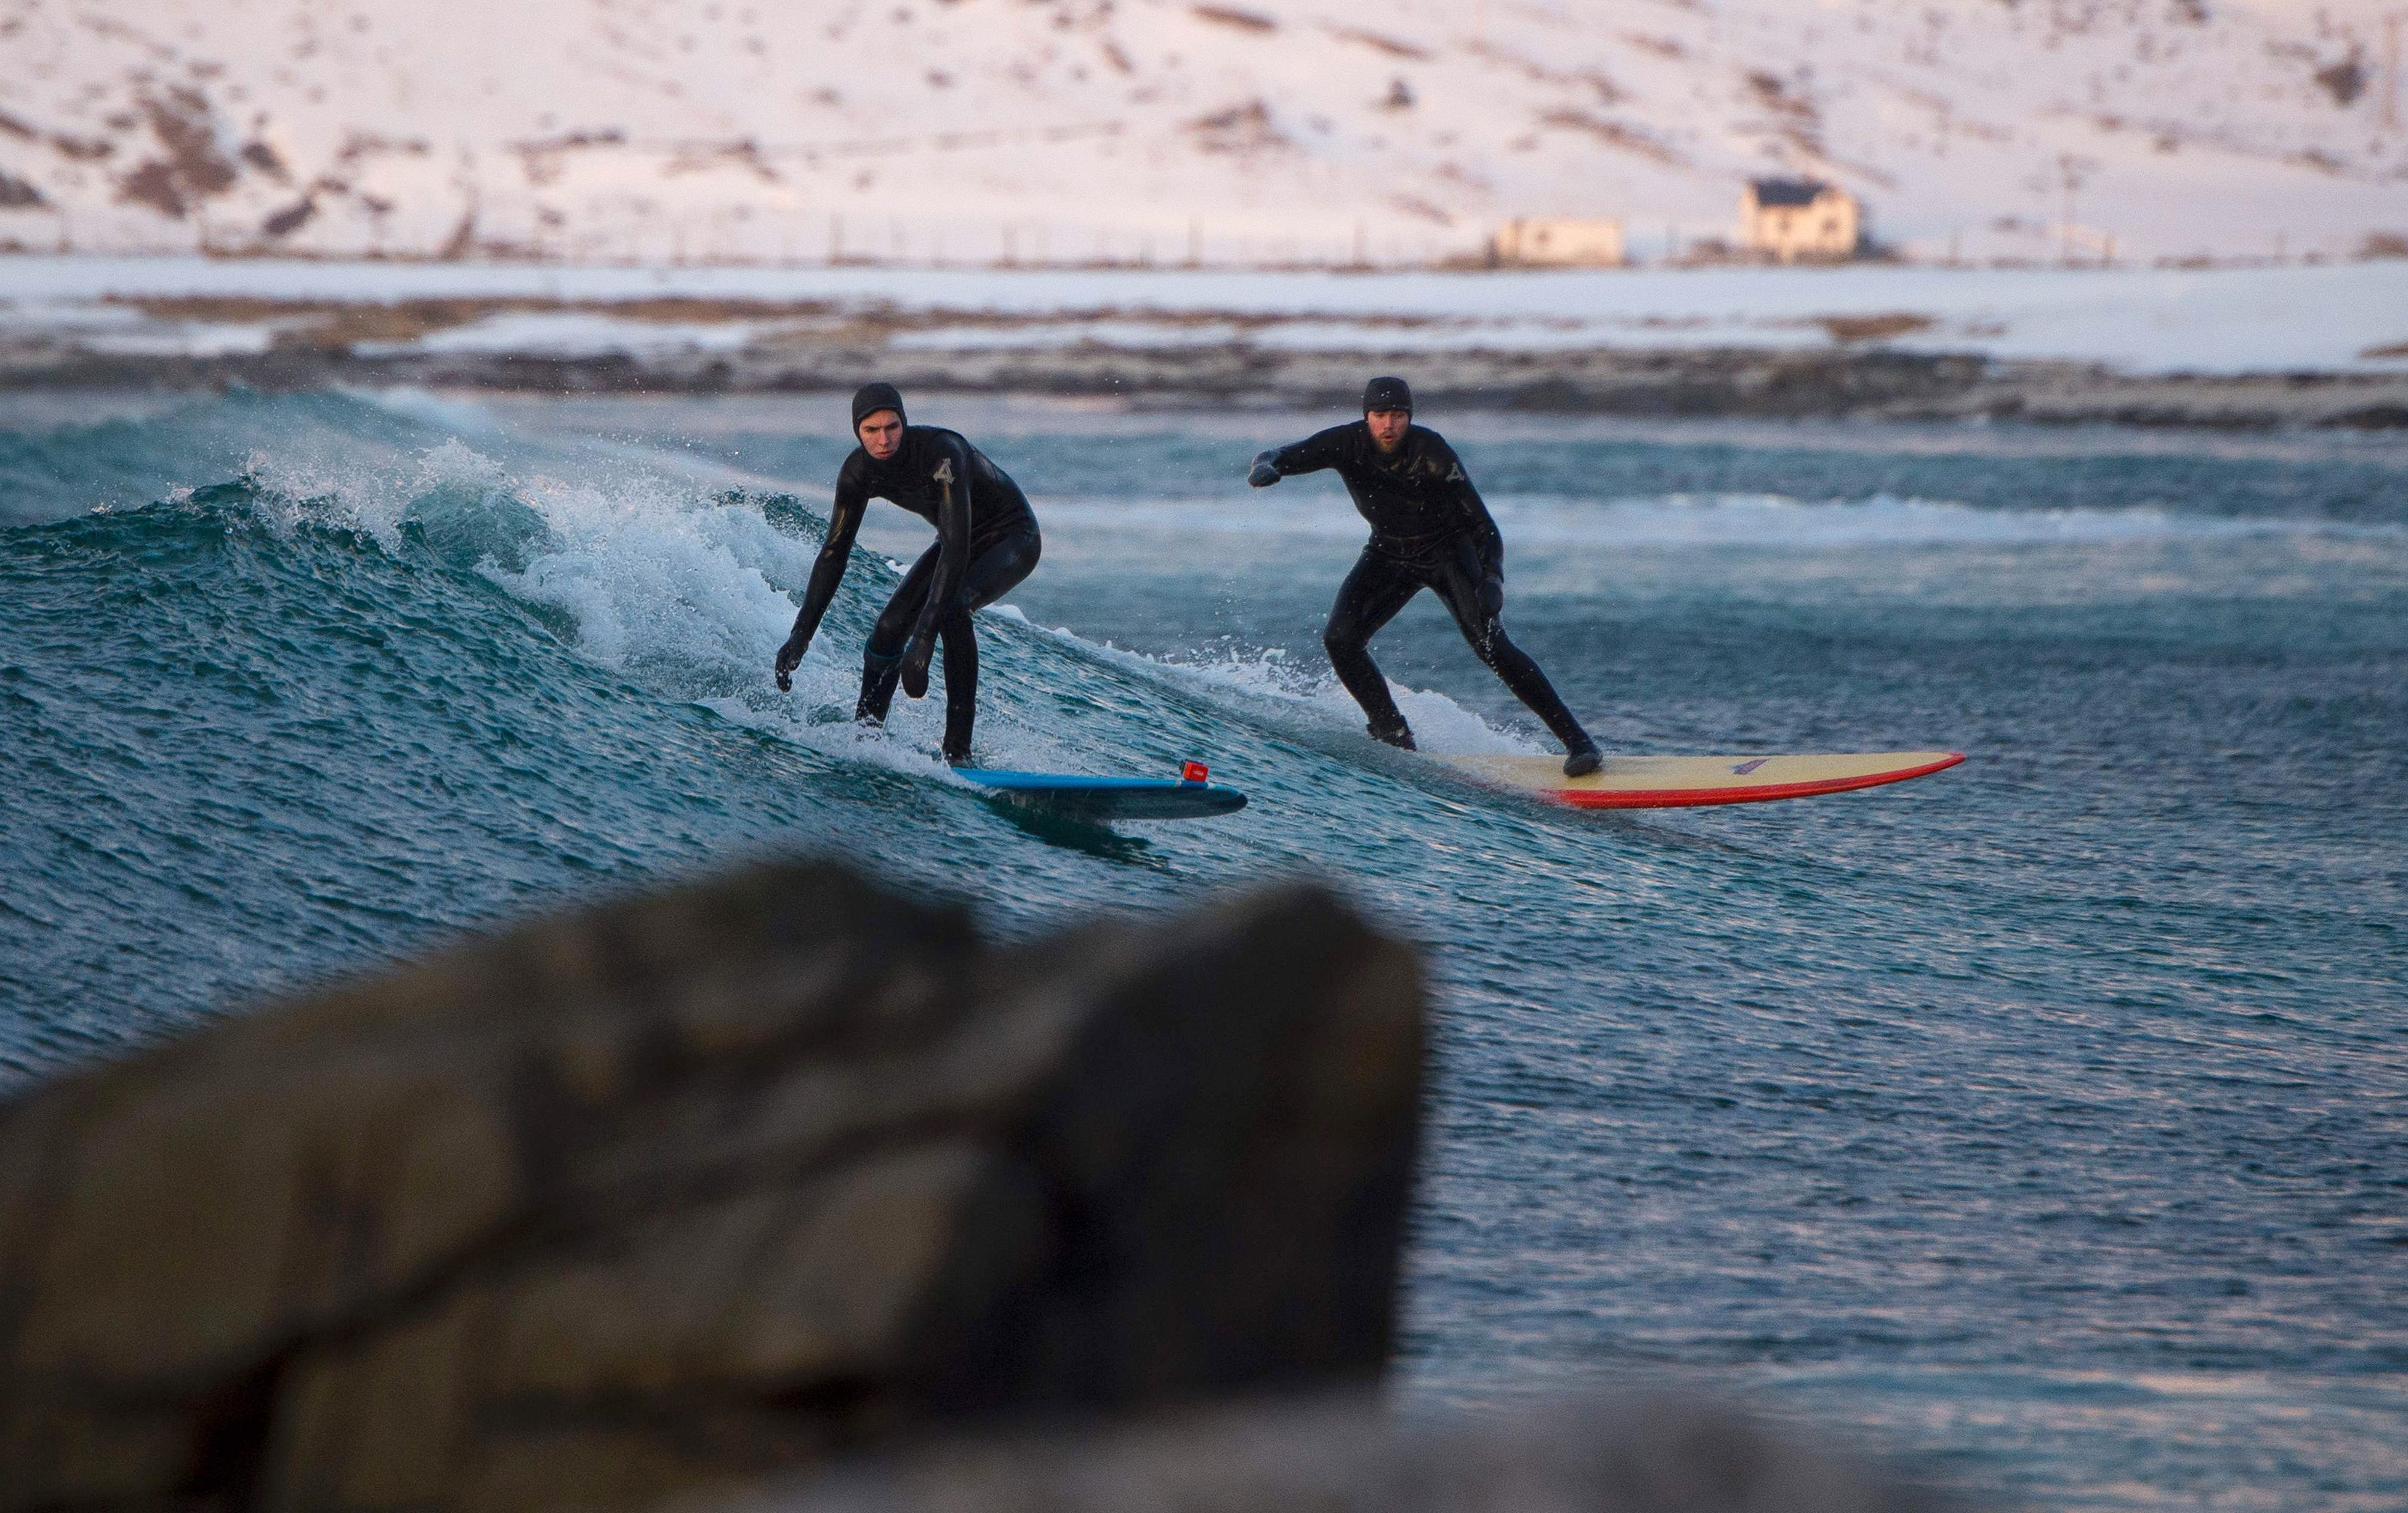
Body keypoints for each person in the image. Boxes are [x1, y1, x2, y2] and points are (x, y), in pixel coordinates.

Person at [1247, 376, 1601, 777]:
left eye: (1398, 416)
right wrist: (1266, 467)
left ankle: (1579, 743)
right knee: (1341, 639)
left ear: (1409, 418)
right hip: (1388, 551)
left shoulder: (1432, 452)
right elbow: (1279, 454)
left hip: (1447, 550)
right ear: (1367, 417)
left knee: (1492, 646)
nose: (1388, 426)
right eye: (1380, 415)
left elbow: (1484, 526)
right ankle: (1392, 731)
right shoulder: (1346, 442)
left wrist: (1492, 579)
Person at [774, 383, 1041, 764]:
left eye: (892, 427)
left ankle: (958, 752)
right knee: (887, 630)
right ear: (857, 432)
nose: (884, 440)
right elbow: (834, 553)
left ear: (904, 423)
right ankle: (865, 736)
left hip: (1013, 535)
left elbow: (955, 548)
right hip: (957, 538)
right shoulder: (857, 473)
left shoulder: (942, 455)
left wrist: (923, 641)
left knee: (953, 608)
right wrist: (801, 634)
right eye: (872, 430)